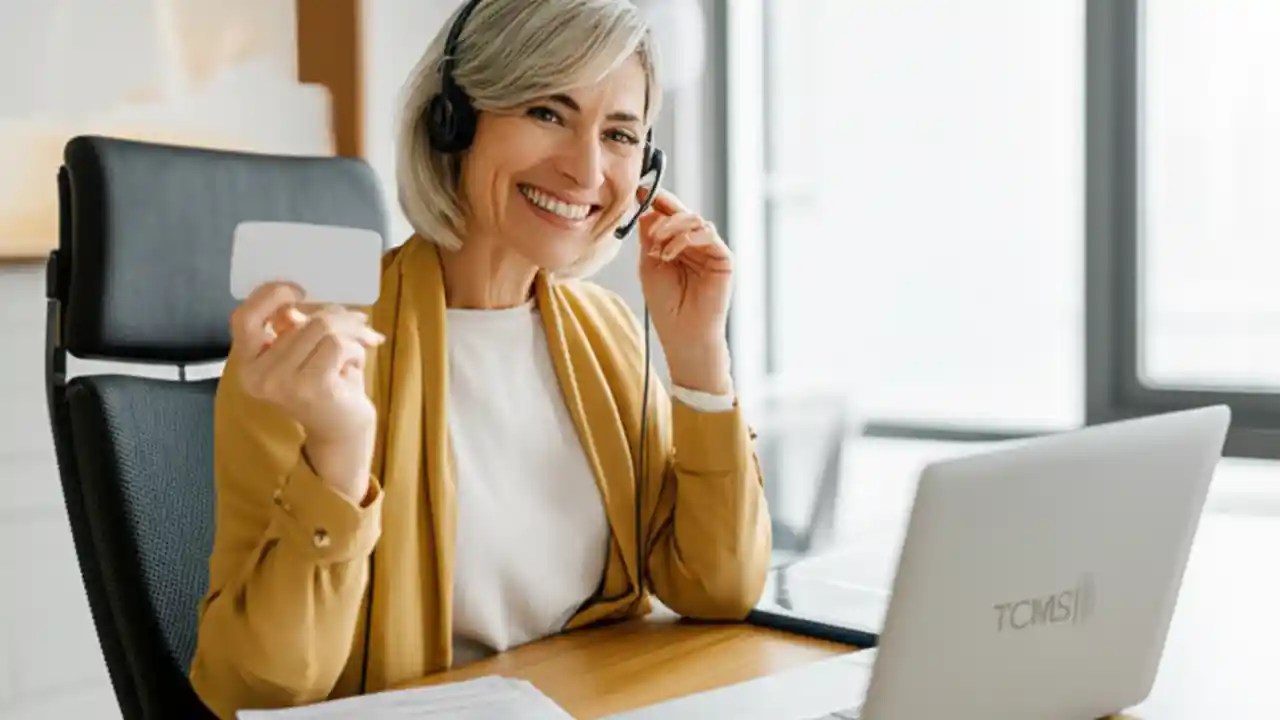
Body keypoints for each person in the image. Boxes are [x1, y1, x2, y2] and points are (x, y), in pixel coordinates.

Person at [189, 0, 771, 716]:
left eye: (619, 134)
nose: (586, 169)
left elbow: (720, 585)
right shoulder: (315, 350)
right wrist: (337, 457)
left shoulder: (607, 334)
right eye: (547, 113)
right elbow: (257, 685)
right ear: (453, 122)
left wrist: (699, 356)